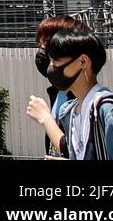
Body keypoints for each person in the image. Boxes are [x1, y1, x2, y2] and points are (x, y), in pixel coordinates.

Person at [46, 27, 113, 160]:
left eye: (56, 61)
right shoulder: (70, 112)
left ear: (83, 61)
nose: (51, 68)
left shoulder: (108, 110)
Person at [26, 15, 79, 156]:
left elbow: (76, 151)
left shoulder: (86, 104)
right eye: (40, 45)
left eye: (47, 44)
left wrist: (45, 118)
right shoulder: (59, 94)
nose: (41, 52)